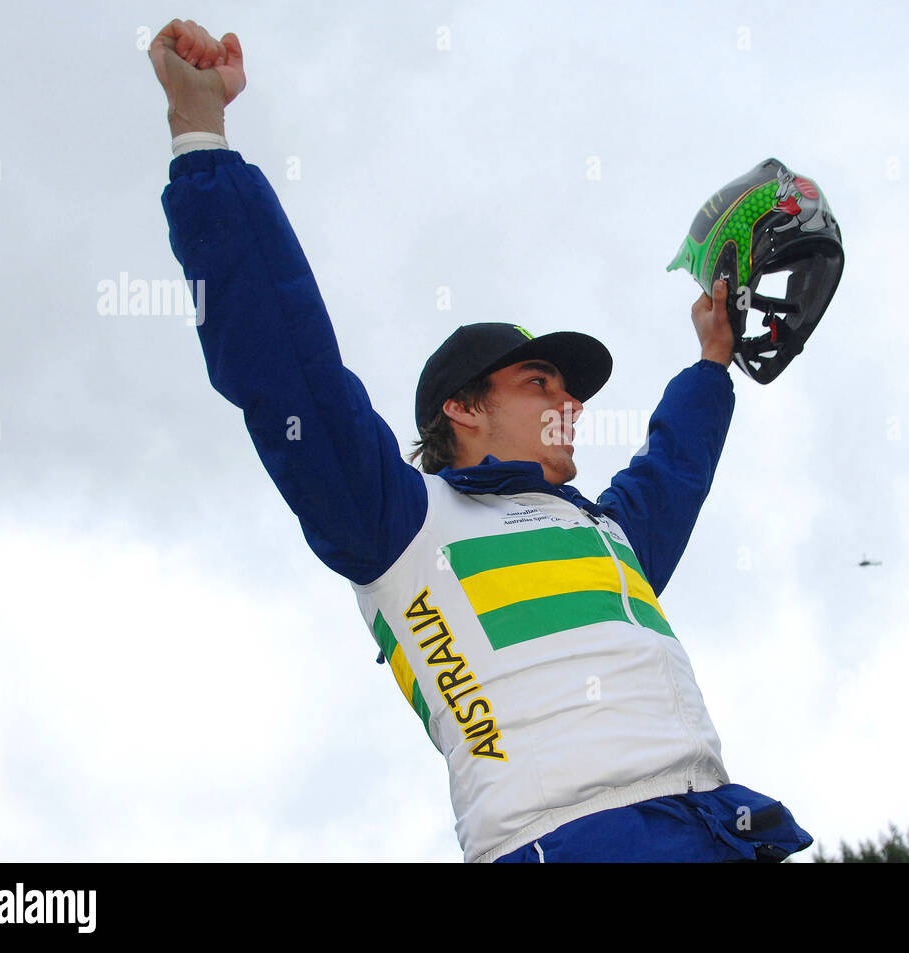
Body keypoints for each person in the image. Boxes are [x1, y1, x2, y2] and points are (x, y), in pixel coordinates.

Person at [149, 18, 813, 863]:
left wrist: (713, 359)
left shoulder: (609, 535)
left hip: (718, 828)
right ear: (462, 409)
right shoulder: (397, 525)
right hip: (566, 844)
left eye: (569, 390)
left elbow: (674, 465)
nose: (569, 401)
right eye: (541, 383)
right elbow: (284, 363)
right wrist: (201, 138)